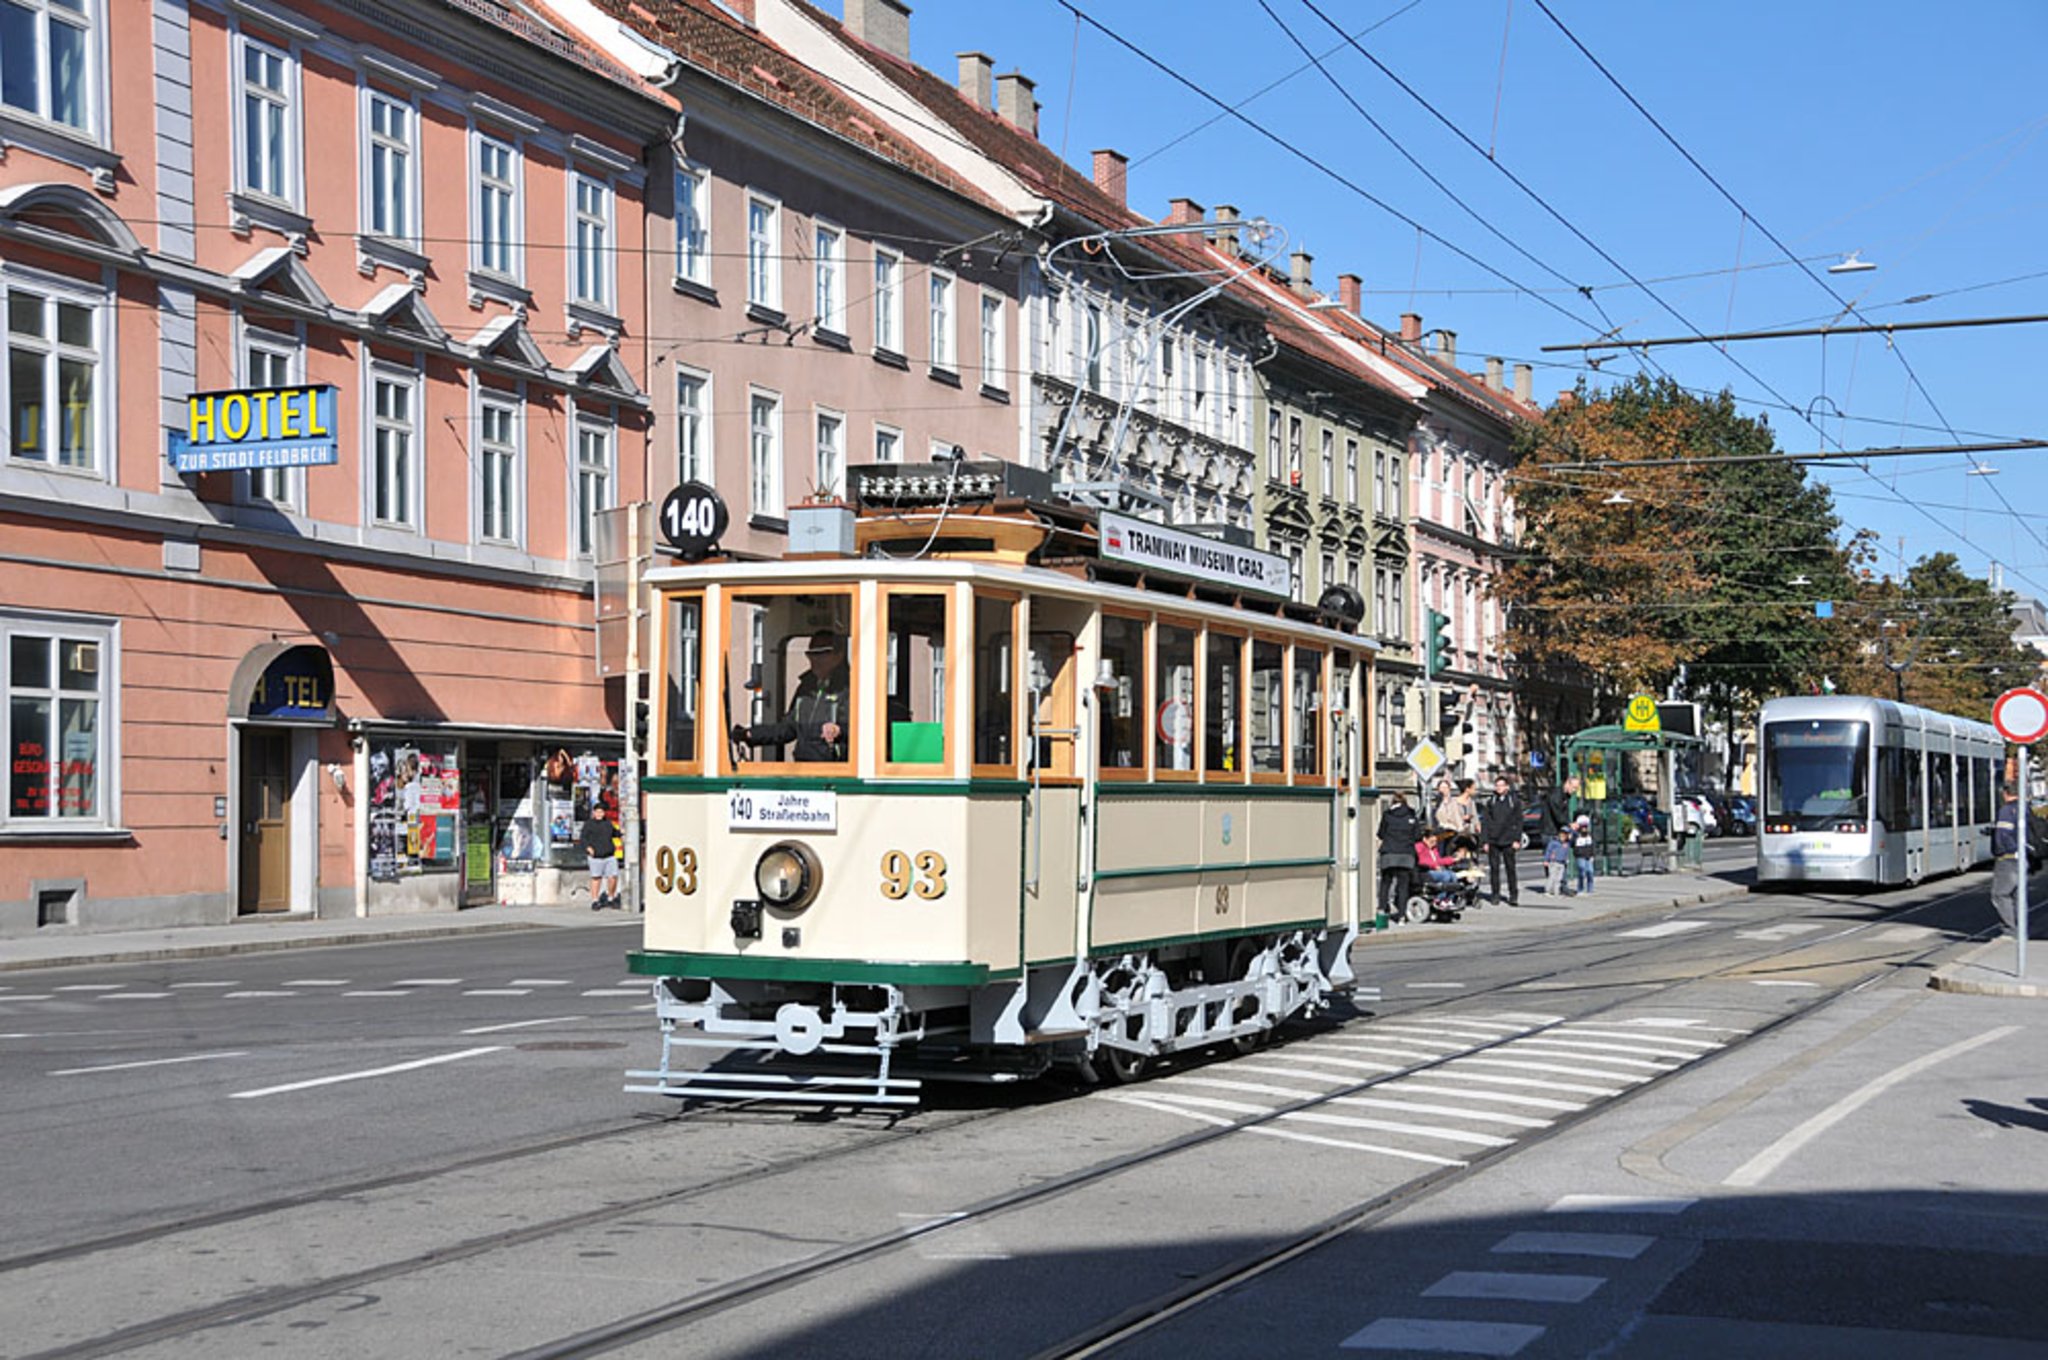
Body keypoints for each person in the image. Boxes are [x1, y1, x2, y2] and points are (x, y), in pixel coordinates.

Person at [733, 630, 850, 763]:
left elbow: (866, 732)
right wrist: (751, 735)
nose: (814, 659)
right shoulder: (807, 687)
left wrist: (839, 731)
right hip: (802, 768)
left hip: (836, 773)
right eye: (811, 654)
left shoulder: (851, 687)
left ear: (839, 655)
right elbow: (788, 728)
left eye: (822, 653)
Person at [1987, 789, 2048, 938]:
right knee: (2018, 895)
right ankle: (2021, 929)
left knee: (2000, 894)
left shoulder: (2007, 810)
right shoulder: (2025, 809)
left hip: (2008, 859)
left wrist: (1999, 850)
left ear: (2005, 793)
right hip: (2024, 858)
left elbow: (2003, 836)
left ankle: (2010, 930)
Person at [1479, 773, 1523, 906]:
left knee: (1510, 869)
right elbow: (1486, 822)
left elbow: (1519, 821)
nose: (1499, 788)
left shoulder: (1514, 801)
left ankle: (1513, 895)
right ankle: (1495, 894)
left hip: (1509, 839)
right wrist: (1485, 841)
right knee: (1494, 869)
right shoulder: (1491, 801)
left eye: (1501, 785)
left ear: (1507, 787)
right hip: (1494, 840)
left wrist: (1517, 839)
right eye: (1497, 785)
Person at [1377, 792, 1420, 918]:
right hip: (1406, 854)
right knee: (1403, 886)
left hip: (1389, 853)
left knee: (1386, 883)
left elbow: (1380, 834)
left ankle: (1382, 909)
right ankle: (1401, 915)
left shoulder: (1387, 815)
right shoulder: (1411, 815)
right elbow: (1417, 836)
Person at [1537, 776, 1579, 894]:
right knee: (1552, 860)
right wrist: (1569, 824)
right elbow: (1558, 814)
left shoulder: (1565, 796)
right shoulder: (1556, 795)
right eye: (1574, 787)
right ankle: (1553, 885)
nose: (1575, 791)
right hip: (1550, 831)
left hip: (1557, 831)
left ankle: (1560, 885)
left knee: (1561, 859)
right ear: (1568, 783)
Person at [580, 803, 620, 910]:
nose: (599, 814)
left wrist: (622, 832)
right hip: (595, 856)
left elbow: (615, 833)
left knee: (613, 877)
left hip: (609, 855)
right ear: (593, 813)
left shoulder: (608, 823)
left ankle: (611, 898)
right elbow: (583, 838)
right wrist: (588, 848)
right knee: (596, 878)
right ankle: (595, 900)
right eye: (597, 812)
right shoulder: (589, 824)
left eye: (601, 812)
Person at [1572, 814, 1597, 896]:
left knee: (1590, 872)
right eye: (1582, 827)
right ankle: (1580, 889)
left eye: (1585, 827)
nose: (1584, 829)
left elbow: (1592, 846)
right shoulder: (1576, 836)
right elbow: (1572, 844)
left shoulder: (1589, 837)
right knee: (1582, 872)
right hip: (1580, 856)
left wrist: (1592, 855)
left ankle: (1590, 889)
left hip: (1589, 856)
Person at [1542, 827, 1570, 896]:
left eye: (1565, 835)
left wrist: (1566, 859)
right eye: (1562, 834)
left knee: (1559, 878)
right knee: (1552, 877)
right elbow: (1548, 851)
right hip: (1553, 862)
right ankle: (1548, 891)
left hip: (1562, 863)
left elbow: (1566, 853)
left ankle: (1556, 891)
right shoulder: (1554, 842)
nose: (1563, 837)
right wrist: (1546, 860)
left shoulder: (1567, 843)